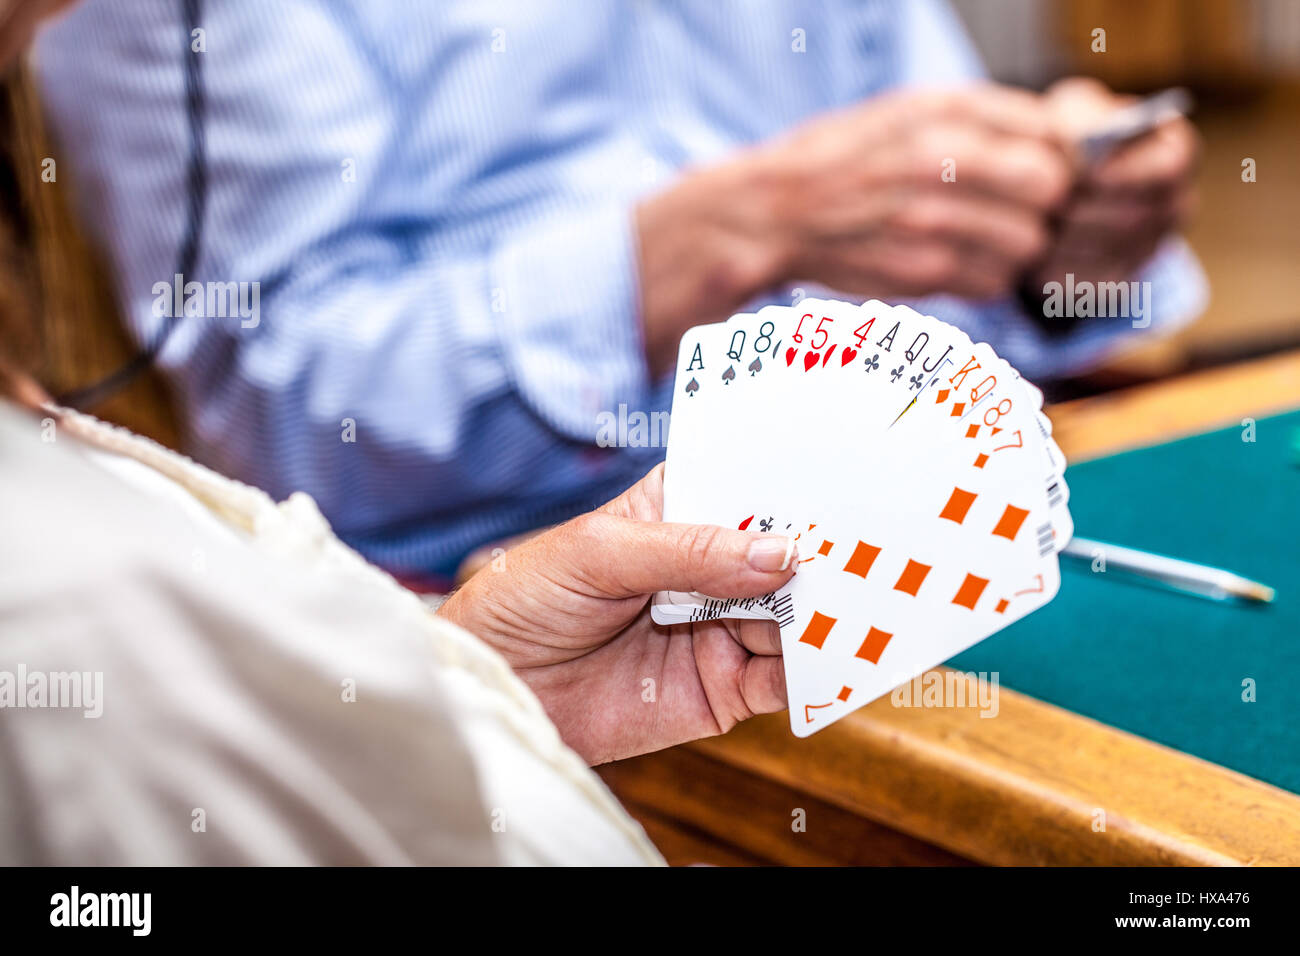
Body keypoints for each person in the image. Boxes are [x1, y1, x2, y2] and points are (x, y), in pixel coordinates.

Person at [30, 0, 1206, 585]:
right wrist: (708, 240)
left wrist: (1066, 256)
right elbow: (290, 428)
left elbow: (968, 275)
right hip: (482, 612)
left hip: (914, 533)